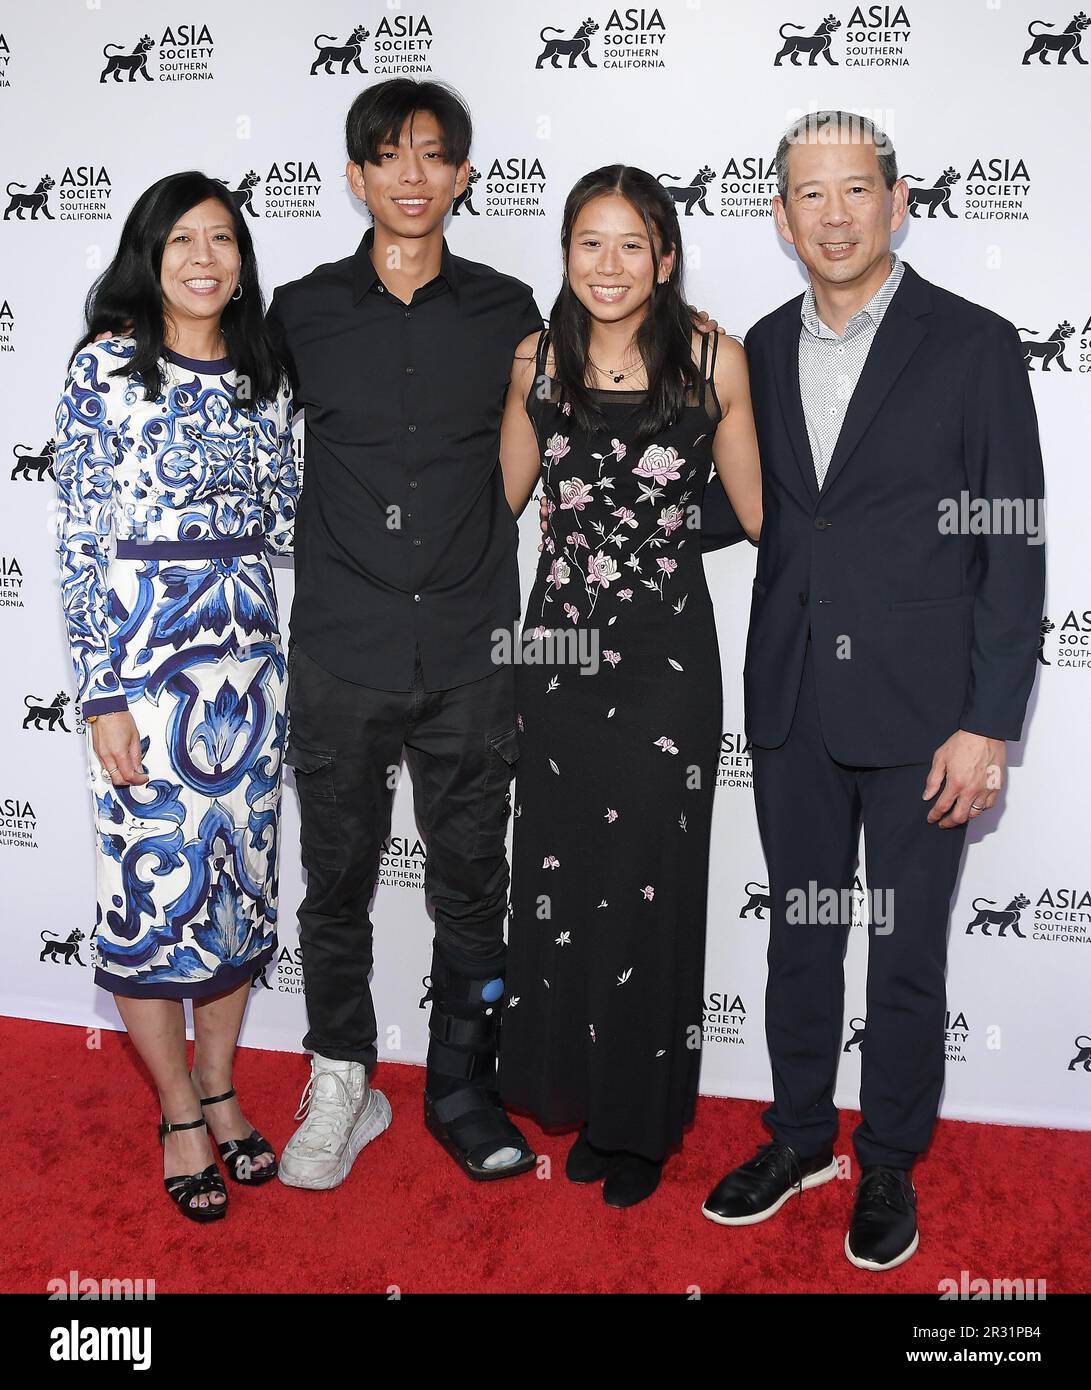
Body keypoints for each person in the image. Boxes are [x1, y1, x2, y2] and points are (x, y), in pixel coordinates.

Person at [700, 112, 1045, 1270]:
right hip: (794, 697)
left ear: (898, 203)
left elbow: (1010, 539)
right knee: (800, 939)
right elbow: (749, 508)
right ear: (779, 214)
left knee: (901, 954)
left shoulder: (975, 343)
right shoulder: (749, 343)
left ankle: (887, 1158)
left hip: (922, 715)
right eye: (809, 193)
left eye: (856, 190)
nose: (834, 213)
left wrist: (988, 719)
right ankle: (798, 1135)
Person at [264, 79, 547, 1187]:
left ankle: (460, 1083)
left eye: (434, 154)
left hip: (474, 652)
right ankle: (342, 1075)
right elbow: (209, 386)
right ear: (356, 176)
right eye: (388, 155)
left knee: (473, 883)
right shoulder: (300, 310)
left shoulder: (509, 310)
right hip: (340, 649)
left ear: (464, 174)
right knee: (334, 882)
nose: (412, 174)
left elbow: (529, 457)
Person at [496, 166, 761, 1208]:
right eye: (586, 243)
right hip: (551, 654)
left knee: (648, 886)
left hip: (665, 661)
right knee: (558, 876)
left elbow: (754, 508)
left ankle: (637, 1126)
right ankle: (568, 1093)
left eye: (628, 244)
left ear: (663, 254)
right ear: (563, 252)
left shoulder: (711, 358)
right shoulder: (533, 356)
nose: (607, 266)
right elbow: (503, 499)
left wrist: (645, 539)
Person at [53, 171, 298, 1222]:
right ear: (147, 256)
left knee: (238, 886)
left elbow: (287, 519)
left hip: (251, 667)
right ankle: (179, 1113)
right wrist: (102, 692)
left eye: (223, 239)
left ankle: (221, 1084)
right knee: (155, 901)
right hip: (146, 671)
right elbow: (75, 540)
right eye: (182, 240)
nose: (206, 258)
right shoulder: (106, 369)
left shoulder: (263, 371)